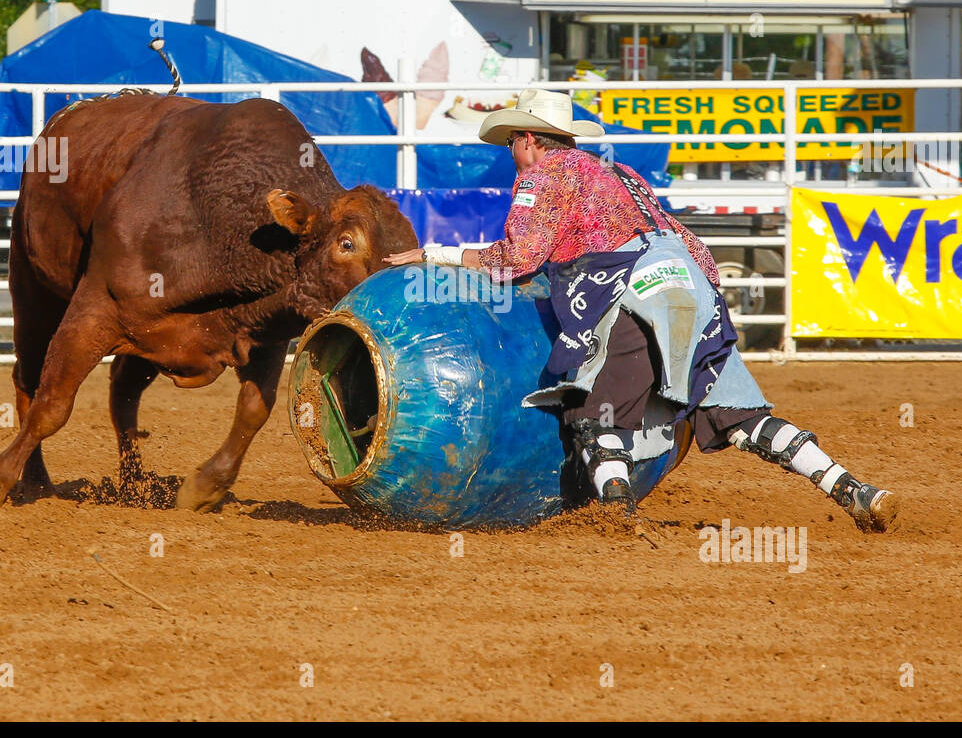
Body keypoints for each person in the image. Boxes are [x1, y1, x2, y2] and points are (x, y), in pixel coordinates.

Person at [384, 88, 899, 533]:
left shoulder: (543, 176)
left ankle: (615, 516)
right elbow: (682, 242)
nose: (511, 154)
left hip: (630, 289)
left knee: (593, 411)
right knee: (738, 418)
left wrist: (438, 255)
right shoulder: (621, 173)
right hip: (692, 288)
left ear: (530, 139)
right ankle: (852, 487)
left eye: (512, 142)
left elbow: (518, 258)